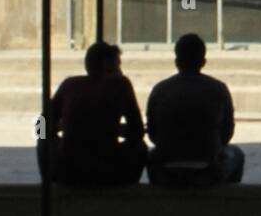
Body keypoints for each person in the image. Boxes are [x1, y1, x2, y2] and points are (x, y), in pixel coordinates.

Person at [42, 41, 147, 186]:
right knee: (140, 147)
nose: (120, 70)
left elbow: (40, 124)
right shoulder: (120, 84)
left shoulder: (69, 84)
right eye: (118, 64)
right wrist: (114, 130)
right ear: (107, 64)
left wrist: (59, 129)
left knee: (42, 139)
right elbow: (138, 132)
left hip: (68, 171)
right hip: (107, 170)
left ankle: (48, 181)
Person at [145, 32, 245, 186]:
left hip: (165, 170)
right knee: (237, 154)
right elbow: (226, 134)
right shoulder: (218, 89)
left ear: (177, 61)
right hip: (207, 169)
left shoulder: (160, 90)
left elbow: (153, 134)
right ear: (203, 61)